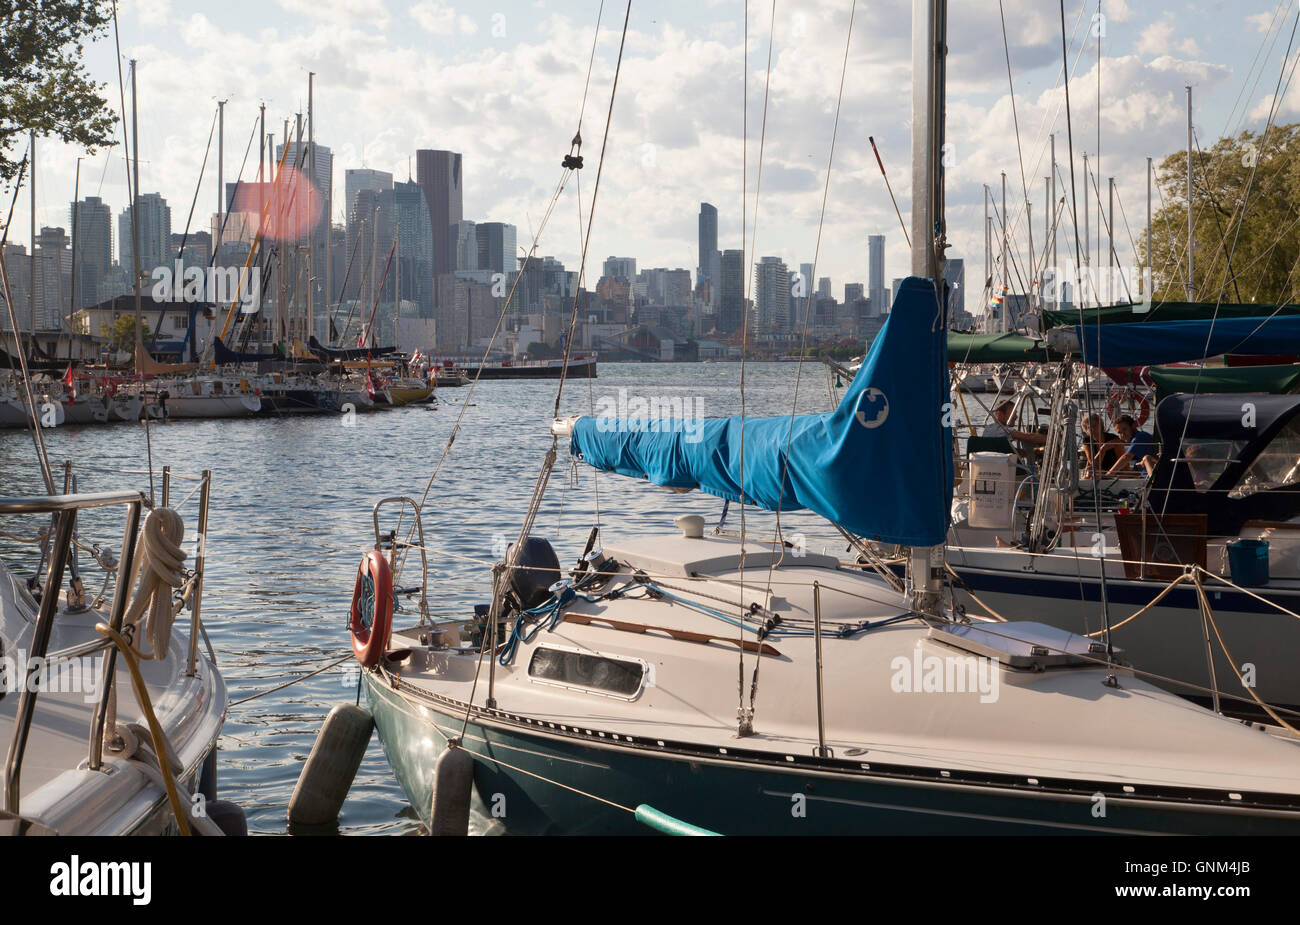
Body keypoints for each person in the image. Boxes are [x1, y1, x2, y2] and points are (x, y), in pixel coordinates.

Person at [982, 399, 1047, 448]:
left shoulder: (988, 428)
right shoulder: (1003, 430)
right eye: (1013, 413)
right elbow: (1029, 437)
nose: (1016, 417)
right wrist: (1051, 439)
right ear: (1000, 414)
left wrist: (1033, 451)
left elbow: (1001, 450)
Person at [1080, 413, 1123, 477]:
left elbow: (1122, 460)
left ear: (1100, 425)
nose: (1092, 429)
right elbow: (1092, 463)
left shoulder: (1113, 438)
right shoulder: (1087, 441)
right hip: (1098, 471)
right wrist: (1102, 450)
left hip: (1115, 471)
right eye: (1089, 427)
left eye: (1094, 426)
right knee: (1090, 471)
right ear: (1086, 430)